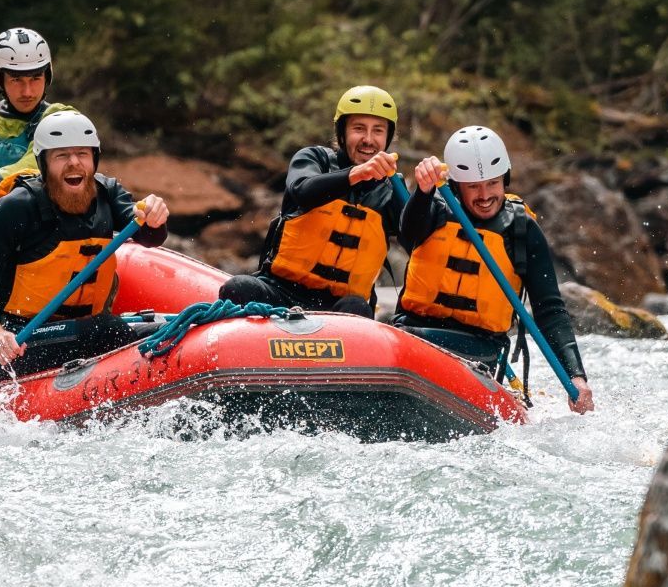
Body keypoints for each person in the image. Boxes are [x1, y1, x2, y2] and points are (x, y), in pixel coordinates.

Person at [396, 125, 595, 413]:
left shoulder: (521, 230)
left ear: (505, 179)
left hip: (478, 352)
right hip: (413, 336)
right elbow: (408, 233)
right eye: (473, 187)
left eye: (493, 183)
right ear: (456, 186)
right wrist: (423, 192)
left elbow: (550, 310)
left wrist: (576, 376)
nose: (485, 195)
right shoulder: (434, 210)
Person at [0, 110, 171, 374]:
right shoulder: (17, 207)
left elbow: (149, 236)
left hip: (88, 329)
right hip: (25, 337)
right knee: (107, 329)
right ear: (44, 163)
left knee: (164, 328)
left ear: (94, 158)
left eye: (82, 153)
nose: (74, 163)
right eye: (61, 155)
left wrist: (154, 219)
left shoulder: (107, 193)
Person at [218, 85, 405, 317]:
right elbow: (302, 191)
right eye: (358, 128)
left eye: (378, 130)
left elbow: (417, 236)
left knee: (357, 308)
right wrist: (356, 174)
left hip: (338, 308)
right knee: (239, 287)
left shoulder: (391, 189)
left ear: (387, 137)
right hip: (280, 291)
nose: (368, 139)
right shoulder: (314, 159)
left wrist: (426, 193)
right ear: (342, 133)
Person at [0, 26, 74, 176]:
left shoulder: (62, 117)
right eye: (16, 79)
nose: (27, 92)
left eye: (36, 78)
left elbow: (37, 161)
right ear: (0, 79)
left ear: (47, 76)